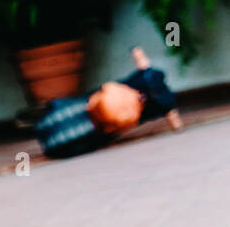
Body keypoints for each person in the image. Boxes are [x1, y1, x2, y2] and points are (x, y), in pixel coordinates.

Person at [36, 46, 184, 159]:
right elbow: (176, 123)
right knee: (83, 136)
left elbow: (141, 58)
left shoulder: (148, 75)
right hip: (100, 126)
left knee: (65, 112)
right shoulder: (165, 104)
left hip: (90, 103)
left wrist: (135, 49)